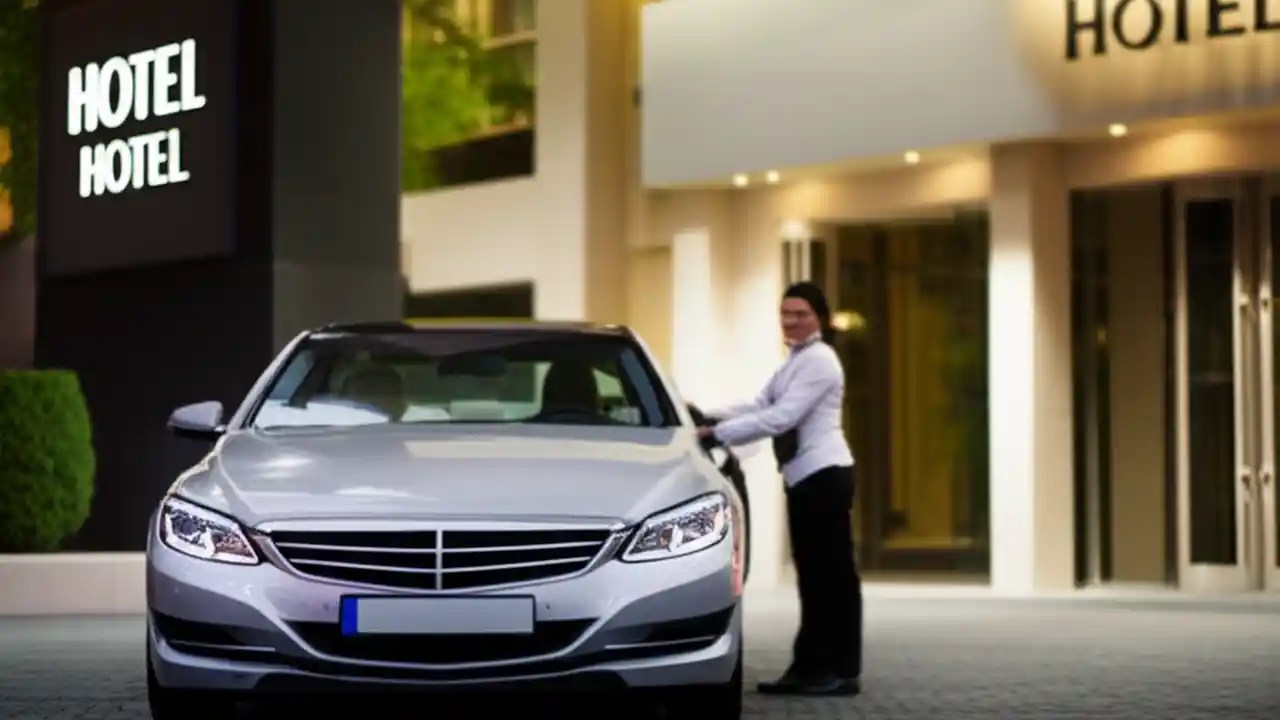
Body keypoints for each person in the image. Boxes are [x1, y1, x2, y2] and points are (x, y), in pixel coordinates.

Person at [697, 281, 861, 696]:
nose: (790, 321)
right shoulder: (795, 361)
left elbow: (782, 417)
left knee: (826, 577)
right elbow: (759, 405)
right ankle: (823, 668)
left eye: (800, 314)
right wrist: (703, 416)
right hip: (808, 478)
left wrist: (716, 434)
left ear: (820, 318)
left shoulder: (819, 360)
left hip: (823, 476)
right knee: (820, 575)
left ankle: (827, 671)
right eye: (785, 313)